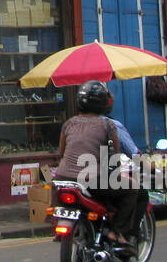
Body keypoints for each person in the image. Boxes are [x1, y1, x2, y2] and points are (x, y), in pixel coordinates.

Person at [54, 80, 147, 251]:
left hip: (62, 179)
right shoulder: (108, 125)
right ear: (103, 104)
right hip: (91, 180)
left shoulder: (69, 123)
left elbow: (61, 153)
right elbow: (114, 159)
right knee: (133, 188)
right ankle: (115, 231)